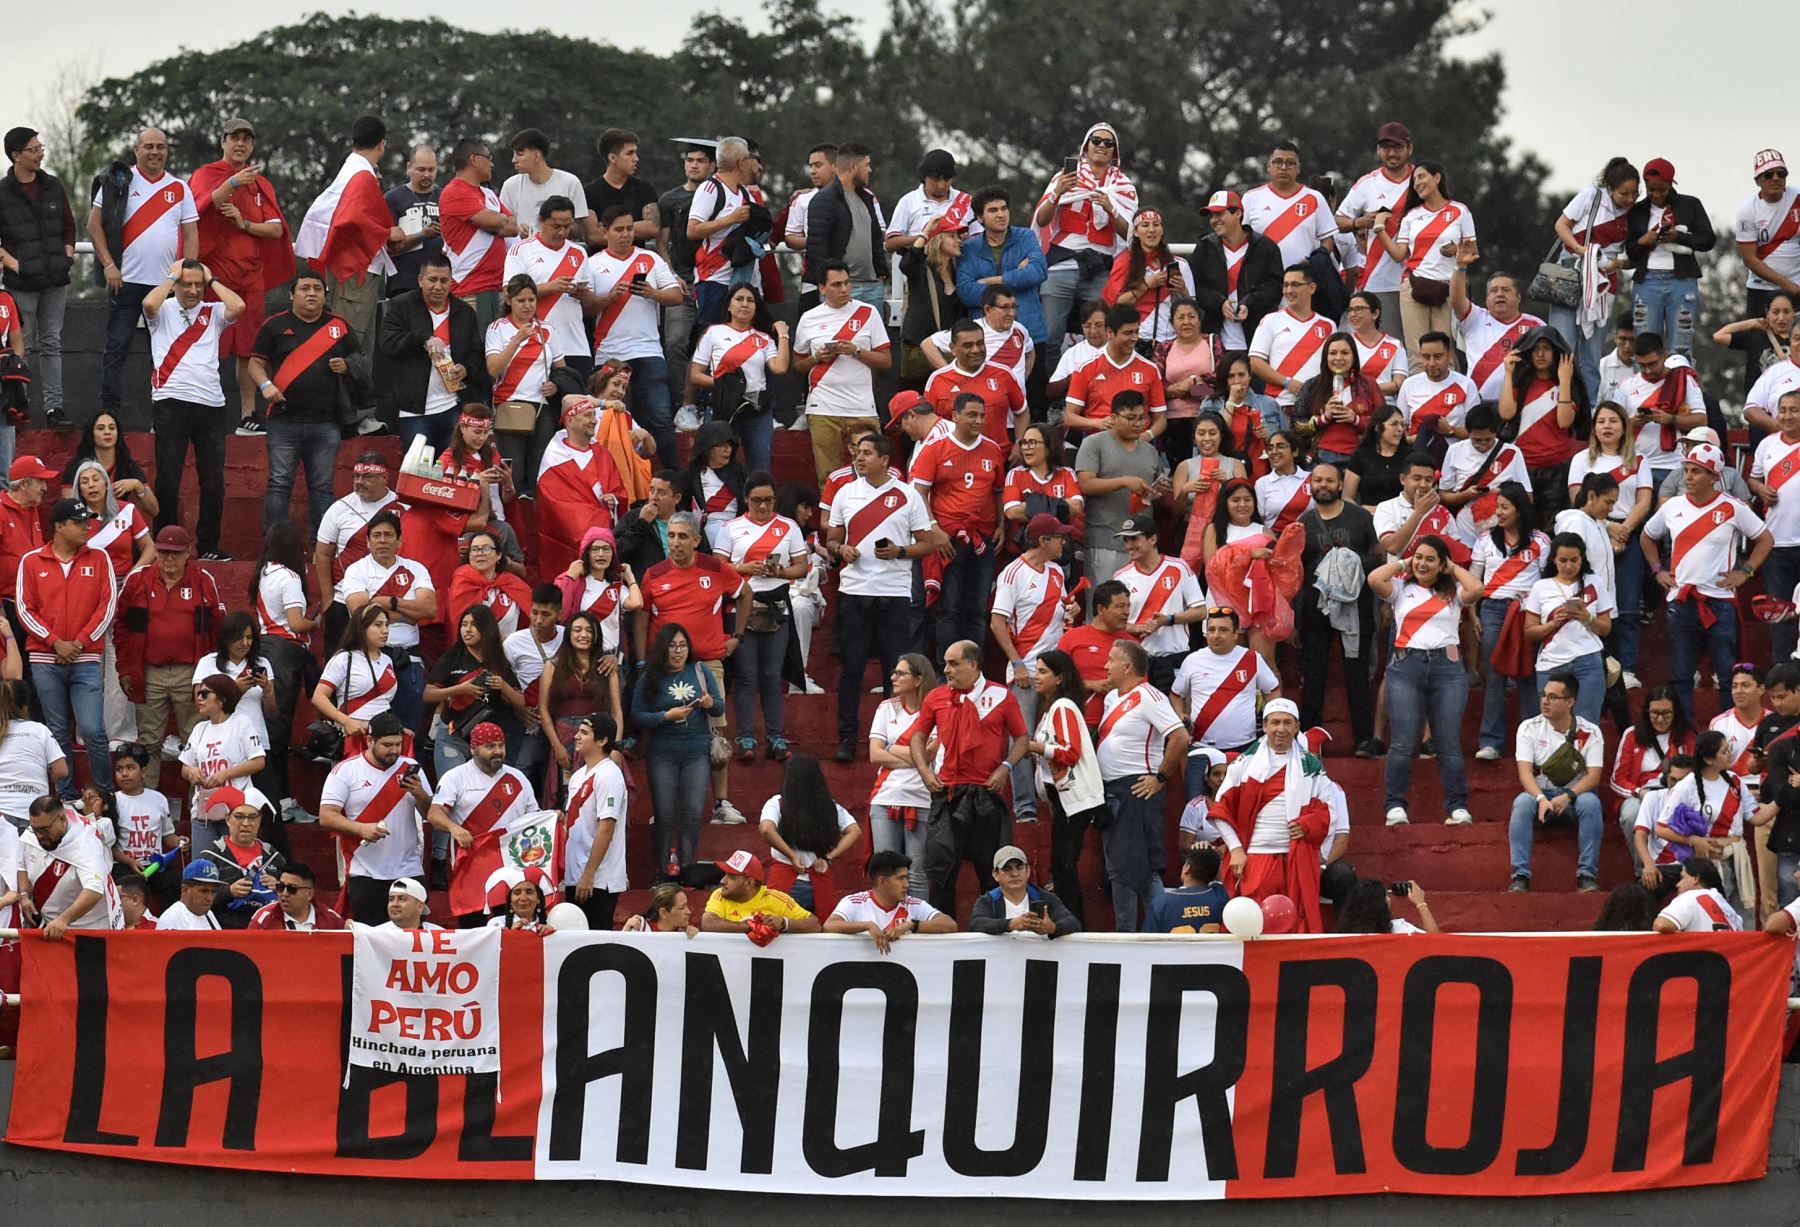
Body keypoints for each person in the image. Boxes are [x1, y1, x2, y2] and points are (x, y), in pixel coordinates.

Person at [826, 434, 941, 760]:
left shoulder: (908, 496)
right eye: (858, 453)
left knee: (898, 669)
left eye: (866, 453)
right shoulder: (846, 493)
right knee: (852, 669)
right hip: (854, 592)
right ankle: (847, 739)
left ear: (885, 460)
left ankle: (898, 736)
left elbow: (927, 544)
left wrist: (900, 551)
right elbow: (832, 537)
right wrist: (840, 548)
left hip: (894, 594)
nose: (859, 458)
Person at [1641, 443, 1773, 721]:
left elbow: (1765, 539)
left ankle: (1726, 732)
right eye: (1686, 471)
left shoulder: (1733, 507)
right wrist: (1657, 570)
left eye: (1696, 472)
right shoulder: (1673, 506)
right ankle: (1686, 735)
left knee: (1727, 675)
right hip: (1680, 601)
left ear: (1713, 476)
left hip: (1720, 602)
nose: (1688, 477)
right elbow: (1647, 536)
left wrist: (1746, 571)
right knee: (1681, 675)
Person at [189, 117, 296, 430]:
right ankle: (199, 411)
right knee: (206, 347)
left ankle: (247, 415)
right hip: (215, 278)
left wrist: (243, 223)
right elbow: (201, 207)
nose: (240, 144)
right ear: (222, 141)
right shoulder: (208, 174)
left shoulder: (260, 184)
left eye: (246, 139)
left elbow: (276, 229)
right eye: (234, 138)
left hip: (251, 279)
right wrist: (234, 183)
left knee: (249, 351)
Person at [1367, 535, 1482, 826]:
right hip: (1406, 667)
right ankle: (1395, 806)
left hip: (1448, 671)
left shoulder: (1454, 592)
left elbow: (1477, 588)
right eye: (1419, 557)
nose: (1422, 563)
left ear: (1442, 564)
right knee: (1404, 743)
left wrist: (1451, 567)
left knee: (1448, 744)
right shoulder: (1400, 589)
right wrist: (1404, 562)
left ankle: (1457, 806)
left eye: (1430, 559)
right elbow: (1373, 579)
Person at [909, 640, 1028, 919]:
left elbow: (1022, 738)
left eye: (954, 663)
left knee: (990, 872)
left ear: (973, 664)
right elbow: (918, 736)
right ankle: (942, 935)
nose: (947, 669)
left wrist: (1006, 767)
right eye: (946, 663)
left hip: (985, 793)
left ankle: (995, 931)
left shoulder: (1001, 695)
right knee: (941, 873)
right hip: (947, 794)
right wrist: (925, 772)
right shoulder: (936, 697)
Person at [88, 128, 200, 420]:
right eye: (148, 146)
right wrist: (109, 265)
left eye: (160, 147)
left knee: (165, 352)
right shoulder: (118, 181)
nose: (155, 152)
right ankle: (108, 413)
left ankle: (164, 414)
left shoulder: (180, 187)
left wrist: (186, 275)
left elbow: (190, 235)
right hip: (124, 282)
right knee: (116, 348)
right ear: (136, 149)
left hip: (164, 286)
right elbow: (94, 225)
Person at [143, 260, 245, 561]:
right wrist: (173, 275)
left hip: (211, 405)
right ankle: (166, 542)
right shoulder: (163, 310)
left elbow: (238, 306)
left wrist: (212, 280)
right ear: (175, 284)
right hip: (170, 402)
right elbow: (148, 302)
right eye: (186, 284)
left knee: (212, 481)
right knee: (168, 478)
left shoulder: (212, 312)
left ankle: (209, 545)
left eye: (197, 284)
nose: (192, 290)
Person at [248, 269, 360, 532]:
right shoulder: (274, 325)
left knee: (322, 487)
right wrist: (265, 385)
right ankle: (274, 546)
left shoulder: (339, 326)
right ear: (291, 295)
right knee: (279, 484)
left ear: (325, 294)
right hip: (284, 420)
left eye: (317, 289)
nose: (312, 294)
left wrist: (347, 365)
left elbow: (360, 361)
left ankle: (320, 545)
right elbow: (254, 363)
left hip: (326, 422)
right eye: (305, 289)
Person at [16, 498, 114, 796]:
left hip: (85, 657)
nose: (87, 527)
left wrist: (79, 642)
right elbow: (23, 607)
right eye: (80, 522)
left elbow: (107, 605)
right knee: (57, 731)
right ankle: (67, 796)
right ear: (59, 526)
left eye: (88, 521)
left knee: (92, 730)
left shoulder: (99, 558)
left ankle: (105, 794)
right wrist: (55, 642)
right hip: (46, 658)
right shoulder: (31, 561)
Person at [1208, 700, 1333, 932]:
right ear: (1264, 727)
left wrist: (1308, 825)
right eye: (1275, 722)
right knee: (1253, 924)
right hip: (1256, 857)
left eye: (1287, 723)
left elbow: (1325, 811)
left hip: (1295, 859)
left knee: (1295, 921)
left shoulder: (1312, 766)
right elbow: (1220, 809)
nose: (1281, 729)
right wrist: (1235, 849)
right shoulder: (1243, 765)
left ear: (1297, 727)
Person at [1090, 640, 1188, 931]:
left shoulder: (1150, 696)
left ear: (1127, 666)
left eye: (1110, 660)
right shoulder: (1112, 699)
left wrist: (1160, 778)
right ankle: (1161, 931)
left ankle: (1129, 935)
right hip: (1114, 791)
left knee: (1126, 869)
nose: (1106, 666)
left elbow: (1180, 737)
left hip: (1136, 789)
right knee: (1134, 869)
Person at [1032, 123, 1135, 374]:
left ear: (1115, 152)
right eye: (1096, 141)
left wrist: (1111, 208)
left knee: (1103, 334)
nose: (1101, 146)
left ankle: (1098, 390)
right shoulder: (1064, 178)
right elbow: (1042, 220)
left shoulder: (1123, 187)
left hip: (1099, 268)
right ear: (1086, 147)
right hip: (1062, 266)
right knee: (1050, 336)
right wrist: (1058, 193)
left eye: (1108, 143)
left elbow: (1130, 234)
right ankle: (1053, 401)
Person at [115, 525, 225, 752]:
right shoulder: (137, 580)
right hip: (149, 672)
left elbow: (218, 628)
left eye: (176, 553)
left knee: (197, 739)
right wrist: (125, 669)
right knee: (148, 742)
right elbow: (121, 629)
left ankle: (199, 788)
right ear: (155, 551)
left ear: (187, 553)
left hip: (192, 673)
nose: (169, 558)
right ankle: (148, 789)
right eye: (164, 552)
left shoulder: (203, 581)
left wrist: (212, 672)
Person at [1295, 463, 1379, 754]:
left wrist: (1346, 563)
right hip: (1314, 606)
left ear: (1341, 484)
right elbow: (1295, 569)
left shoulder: (1359, 518)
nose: (1323, 485)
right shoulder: (1303, 523)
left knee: (1357, 671)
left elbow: (1377, 558)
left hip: (1357, 605)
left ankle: (1364, 739)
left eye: (1329, 481)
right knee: (1314, 671)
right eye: (1317, 480)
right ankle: (1308, 737)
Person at [315, 710, 428, 925]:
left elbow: (430, 813)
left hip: (409, 868)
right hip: (366, 872)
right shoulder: (346, 771)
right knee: (371, 941)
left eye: (398, 744)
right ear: (369, 740)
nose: (393, 751)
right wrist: (361, 829)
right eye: (387, 745)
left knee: (413, 940)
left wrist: (420, 794)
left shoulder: (410, 768)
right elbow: (326, 816)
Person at [630, 622, 723, 881]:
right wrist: (665, 716)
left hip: (697, 750)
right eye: (673, 646)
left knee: (693, 811)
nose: (678, 651)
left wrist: (710, 702)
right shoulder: (650, 676)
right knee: (664, 813)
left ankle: (687, 868)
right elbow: (637, 715)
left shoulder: (700, 670)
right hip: (663, 752)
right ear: (663, 649)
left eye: (682, 645)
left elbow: (720, 709)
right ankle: (661, 870)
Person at [1566, 403, 1651, 684]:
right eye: (1601, 421)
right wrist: (1608, 528)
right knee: (1591, 603)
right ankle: (1591, 664)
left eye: (1613, 420)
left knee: (1626, 605)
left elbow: (1644, 500)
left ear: (1624, 426)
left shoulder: (1639, 460)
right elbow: (1579, 499)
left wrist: (1624, 530)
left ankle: (1625, 667)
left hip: (1629, 532)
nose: (1607, 426)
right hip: (1593, 531)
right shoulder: (1582, 460)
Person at [295, 116, 393, 349]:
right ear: (382, 144)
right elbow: (352, 218)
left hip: (354, 269)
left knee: (362, 346)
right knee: (350, 345)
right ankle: (343, 387)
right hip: (355, 270)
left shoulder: (352, 168)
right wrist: (387, 233)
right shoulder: (361, 174)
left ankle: (358, 386)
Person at [0, 128, 75, 429]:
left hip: (56, 280)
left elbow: (69, 226)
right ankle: (21, 404)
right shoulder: (2, 192)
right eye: (34, 149)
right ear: (17, 155)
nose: (40, 153)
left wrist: (67, 255)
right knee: (23, 344)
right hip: (22, 284)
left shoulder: (53, 186)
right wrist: (12, 262)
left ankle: (54, 408)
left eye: (40, 147)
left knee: (52, 342)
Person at [793, 261, 893, 484]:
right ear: (822, 288)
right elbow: (798, 366)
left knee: (873, 475)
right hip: (823, 408)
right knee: (829, 480)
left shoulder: (869, 313)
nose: (844, 289)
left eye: (847, 283)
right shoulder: (809, 318)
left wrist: (857, 351)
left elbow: (886, 361)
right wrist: (816, 358)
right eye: (836, 285)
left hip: (862, 407)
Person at [1548, 157, 1640, 398]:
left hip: (1603, 281)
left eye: (1635, 194)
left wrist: (1617, 263)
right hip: (1571, 269)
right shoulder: (1592, 196)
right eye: (1624, 194)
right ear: (1611, 188)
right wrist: (1581, 251)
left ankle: (1589, 409)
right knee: (1562, 345)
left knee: (1592, 352)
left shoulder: (1635, 215)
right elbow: (1561, 224)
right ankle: (1558, 401)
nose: (1630, 199)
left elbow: (1635, 256)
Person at [1508, 671, 1607, 892]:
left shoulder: (1590, 732)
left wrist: (1569, 795)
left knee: (1591, 803)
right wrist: (1541, 798)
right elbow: (1524, 773)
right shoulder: (1528, 728)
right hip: (1540, 795)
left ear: (1570, 702)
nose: (1545, 701)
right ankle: (1520, 876)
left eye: (1553, 697)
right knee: (1522, 803)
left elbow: (1594, 775)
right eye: (1544, 695)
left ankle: (1587, 875)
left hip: (1573, 798)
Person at [377, 253, 488, 451]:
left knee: (451, 470)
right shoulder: (401, 306)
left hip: (452, 405)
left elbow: (476, 351)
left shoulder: (464, 312)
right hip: (413, 410)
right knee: (416, 473)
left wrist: (466, 369)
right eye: (432, 280)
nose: (438, 286)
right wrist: (423, 339)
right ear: (420, 280)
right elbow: (387, 343)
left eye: (444, 281)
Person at [425, 719, 532, 922]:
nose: (498, 751)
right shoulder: (455, 777)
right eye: (490, 746)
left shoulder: (518, 778)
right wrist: (454, 828)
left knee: (510, 929)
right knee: (473, 931)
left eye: (501, 746)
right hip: (470, 868)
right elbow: (434, 813)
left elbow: (533, 818)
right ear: (474, 749)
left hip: (510, 869)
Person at [1469, 485, 1549, 758]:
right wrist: (1471, 614)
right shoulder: (1484, 540)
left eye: (1505, 507)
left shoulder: (1541, 540)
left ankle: (1533, 745)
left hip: (1528, 612)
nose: (1498, 513)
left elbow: (1547, 581)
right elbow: (1474, 579)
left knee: (1528, 674)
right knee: (1495, 674)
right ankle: (1490, 742)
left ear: (1519, 509)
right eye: (1497, 507)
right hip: (1492, 610)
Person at [339, 509, 435, 737]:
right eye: (377, 535)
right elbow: (362, 612)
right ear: (368, 541)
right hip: (370, 659)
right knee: (369, 732)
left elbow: (429, 609)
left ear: (399, 540)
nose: (382, 540)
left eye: (388, 535)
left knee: (409, 730)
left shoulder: (416, 569)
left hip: (408, 659)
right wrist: (408, 615)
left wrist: (389, 601)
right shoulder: (357, 570)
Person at [1370, 162, 1474, 364]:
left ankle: (1448, 394)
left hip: (1449, 287)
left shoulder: (1460, 211)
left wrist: (1455, 250)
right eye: (1414, 179)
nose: (1417, 183)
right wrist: (1380, 229)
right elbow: (1399, 255)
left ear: (1437, 178)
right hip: (1413, 286)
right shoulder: (1411, 216)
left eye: (1422, 176)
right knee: (1417, 352)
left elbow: (1473, 251)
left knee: (1446, 351)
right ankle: (1419, 395)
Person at [247, 520, 316, 821]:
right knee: (278, 729)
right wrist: (317, 621)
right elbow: (297, 623)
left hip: (267, 647)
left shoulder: (264, 573)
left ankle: (275, 797)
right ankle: (279, 800)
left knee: (271, 725)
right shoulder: (289, 577)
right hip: (286, 651)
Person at [689, 283, 790, 476]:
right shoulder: (713, 332)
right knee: (717, 466)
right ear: (728, 305)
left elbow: (780, 367)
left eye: (750, 300)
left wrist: (783, 335)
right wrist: (724, 386)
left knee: (760, 468)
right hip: (722, 405)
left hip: (756, 408)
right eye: (739, 299)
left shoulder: (765, 339)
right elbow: (695, 374)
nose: (745, 304)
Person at [423, 604, 524, 788]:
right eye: (464, 624)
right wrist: (460, 689)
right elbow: (428, 694)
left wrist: (503, 687)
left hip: (488, 741)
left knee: (485, 794)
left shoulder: (498, 660)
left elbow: (521, 702)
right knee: (452, 790)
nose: (467, 630)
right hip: (453, 735)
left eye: (473, 625)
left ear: (486, 629)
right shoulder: (453, 656)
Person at [1624, 158, 1714, 356]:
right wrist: (1643, 241)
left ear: (1671, 184)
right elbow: (1630, 251)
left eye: (1662, 190)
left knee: (1681, 347)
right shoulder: (1637, 211)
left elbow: (1708, 239)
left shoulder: (1690, 205)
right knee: (1645, 345)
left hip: (1682, 280)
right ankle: (1645, 386)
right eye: (1651, 190)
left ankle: (1681, 385)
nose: (1656, 195)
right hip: (1647, 282)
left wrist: (1678, 236)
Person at [1524, 532, 1615, 727]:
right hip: (1551, 662)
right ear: (1554, 560)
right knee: (1551, 725)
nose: (1568, 566)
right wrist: (1552, 623)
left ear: (1582, 558)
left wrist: (1587, 618)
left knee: (1587, 725)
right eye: (1563, 560)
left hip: (1588, 659)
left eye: (1574, 560)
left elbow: (1606, 628)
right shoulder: (1541, 587)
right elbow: (1529, 632)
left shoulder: (1594, 582)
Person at [484, 275, 566, 489]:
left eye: (531, 300)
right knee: (513, 472)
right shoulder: (497, 328)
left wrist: (556, 385)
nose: (527, 305)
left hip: (543, 408)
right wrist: (517, 339)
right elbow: (493, 369)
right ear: (509, 300)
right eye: (521, 300)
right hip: (510, 406)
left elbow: (562, 370)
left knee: (542, 470)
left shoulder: (548, 329)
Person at [1074, 393, 1164, 587]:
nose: (1138, 423)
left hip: (1144, 543)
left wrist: (1160, 490)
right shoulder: (1094, 443)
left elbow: (1155, 492)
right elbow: (1085, 484)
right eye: (1131, 418)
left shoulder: (1150, 450)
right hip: (1106, 538)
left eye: (1142, 418)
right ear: (1114, 418)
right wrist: (1123, 481)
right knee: (1104, 606)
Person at [866, 652, 938, 892]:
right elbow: (875, 754)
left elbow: (930, 755)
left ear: (918, 679)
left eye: (900, 673)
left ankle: (917, 925)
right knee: (885, 872)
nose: (893, 677)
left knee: (917, 874)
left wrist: (892, 747)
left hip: (921, 798)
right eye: (894, 672)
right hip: (885, 797)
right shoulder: (886, 708)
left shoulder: (935, 711)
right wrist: (916, 757)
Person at [313, 455, 400, 648]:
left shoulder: (403, 506)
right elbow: (322, 554)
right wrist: (328, 601)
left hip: (388, 600)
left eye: (367, 477)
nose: (359, 482)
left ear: (384, 478)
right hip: (343, 602)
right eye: (356, 476)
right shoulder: (339, 509)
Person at [758, 752, 861, 915]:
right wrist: (828, 857)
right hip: (819, 882)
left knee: (779, 930)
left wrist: (791, 856)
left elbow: (766, 829)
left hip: (785, 880)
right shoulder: (830, 806)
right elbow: (854, 831)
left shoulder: (778, 803)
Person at [1335, 122, 1416, 326]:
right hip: (1380, 281)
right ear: (1379, 150)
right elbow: (1337, 220)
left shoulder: (1423, 179)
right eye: (1386, 147)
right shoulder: (1368, 183)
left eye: (1397, 147)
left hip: (1420, 278)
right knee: (1385, 349)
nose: (1392, 153)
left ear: (1409, 148)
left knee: (1422, 352)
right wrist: (1360, 222)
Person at [438, 138, 524, 326]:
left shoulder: (489, 195)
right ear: (474, 159)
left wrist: (494, 224)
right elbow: (495, 221)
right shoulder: (454, 192)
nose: (492, 163)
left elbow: (512, 226)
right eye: (488, 157)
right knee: (475, 349)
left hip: (498, 288)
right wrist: (496, 222)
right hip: (470, 289)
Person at [1735, 150, 1800, 395]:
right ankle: (1755, 405)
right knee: (1758, 350)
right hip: (1762, 289)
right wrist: (1787, 286)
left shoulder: (1797, 199)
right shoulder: (1748, 211)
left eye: (1781, 173)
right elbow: (1750, 258)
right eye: (1769, 174)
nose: (1776, 178)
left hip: (1798, 285)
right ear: (1758, 180)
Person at [1498, 327, 1586, 507]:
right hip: (1523, 466)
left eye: (1546, 348)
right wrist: (1508, 374)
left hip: (1557, 467)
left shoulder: (1566, 384)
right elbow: (1506, 413)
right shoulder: (1521, 383)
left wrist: (1564, 381)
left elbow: (1564, 421)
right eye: (1536, 349)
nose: (1540, 354)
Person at [555, 712, 625, 930]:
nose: (576, 736)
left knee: (596, 940)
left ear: (602, 740)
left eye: (584, 733)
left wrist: (589, 875)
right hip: (575, 874)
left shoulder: (609, 775)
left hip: (598, 878)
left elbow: (606, 827)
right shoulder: (578, 775)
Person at [1192, 190, 1283, 353]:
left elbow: (1275, 287)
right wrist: (1219, 303)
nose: (1214, 220)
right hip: (1215, 339)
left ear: (1238, 213)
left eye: (1220, 214)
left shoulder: (1266, 247)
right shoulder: (1204, 247)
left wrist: (1249, 303)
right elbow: (1197, 288)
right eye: (1211, 215)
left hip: (1258, 340)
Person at [1449, 258, 1545, 405]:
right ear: (1487, 299)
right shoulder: (1475, 318)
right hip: (1478, 406)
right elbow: (1456, 300)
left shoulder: (1536, 325)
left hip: (1521, 404)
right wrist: (1460, 265)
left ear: (1518, 297)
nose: (1499, 294)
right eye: (1494, 291)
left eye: (1506, 290)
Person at [923, 317, 1027, 451]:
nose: (976, 350)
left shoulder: (1003, 374)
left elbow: (1022, 412)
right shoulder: (937, 380)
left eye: (980, 343)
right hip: (952, 460)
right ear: (953, 348)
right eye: (968, 345)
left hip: (1000, 458)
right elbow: (927, 424)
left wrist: (1019, 443)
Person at [1061, 305, 1166, 437]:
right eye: (1128, 333)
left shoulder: (1150, 369)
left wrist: (1146, 437)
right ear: (1110, 333)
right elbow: (1069, 417)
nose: (1134, 338)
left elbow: (1161, 418)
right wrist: (1097, 423)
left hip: (1138, 444)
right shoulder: (1086, 368)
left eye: (1136, 332)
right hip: (1099, 442)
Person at [803, 142, 886, 308]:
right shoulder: (824, 200)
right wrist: (831, 283)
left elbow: (876, 238)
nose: (869, 170)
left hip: (872, 287)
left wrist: (881, 271)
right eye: (867, 165)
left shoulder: (867, 198)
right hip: (842, 289)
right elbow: (817, 248)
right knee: (839, 335)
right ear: (853, 166)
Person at [825, 847, 957, 951]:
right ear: (882, 881)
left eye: (906, 878)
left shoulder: (913, 904)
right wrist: (867, 926)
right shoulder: (855, 902)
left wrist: (911, 925)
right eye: (900, 878)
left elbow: (950, 925)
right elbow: (829, 926)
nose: (907, 884)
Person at [1249, 263, 1334, 414]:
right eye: (1286, 285)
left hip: (1317, 406)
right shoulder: (1271, 320)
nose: (1289, 290)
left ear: (1312, 288)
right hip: (1279, 405)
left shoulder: (1328, 325)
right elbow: (1255, 362)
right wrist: (1288, 383)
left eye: (1295, 285)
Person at [1291, 332, 1380, 464]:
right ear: (1325, 357)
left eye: (1344, 353)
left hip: (1361, 458)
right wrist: (1323, 418)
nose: (1338, 358)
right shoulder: (1312, 385)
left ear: (1354, 356)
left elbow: (1385, 423)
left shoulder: (1369, 385)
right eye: (1332, 353)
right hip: (1320, 458)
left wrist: (1356, 420)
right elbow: (1296, 425)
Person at [198, 793, 283, 929]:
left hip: (268, 929)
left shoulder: (273, 856)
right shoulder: (211, 857)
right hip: (225, 929)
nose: (246, 823)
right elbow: (195, 900)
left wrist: (280, 888)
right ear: (227, 819)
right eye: (239, 817)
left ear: (259, 820)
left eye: (252, 817)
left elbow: (295, 895)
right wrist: (229, 892)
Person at [497, 128, 591, 246]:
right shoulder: (510, 186)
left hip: (560, 253)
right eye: (514, 154)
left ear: (537, 156)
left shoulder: (570, 182)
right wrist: (517, 229)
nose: (514, 160)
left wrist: (557, 228)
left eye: (519, 154)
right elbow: (502, 225)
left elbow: (580, 227)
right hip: (523, 253)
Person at [701, 849, 821, 937]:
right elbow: (708, 923)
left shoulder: (777, 899)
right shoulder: (720, 894)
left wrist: (783, 923)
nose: (723, 881)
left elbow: (815, 925)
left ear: (749, 883)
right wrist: (752, 926)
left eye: (731, 877)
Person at [969, 843, 1080, 937]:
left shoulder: (1045, 898)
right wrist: (1010, 924)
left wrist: (1052, 928)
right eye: (1007, 869)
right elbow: (976, 924)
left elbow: (1073, 923)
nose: (1014, 874)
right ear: (995, 874)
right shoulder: (988, 900)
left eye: (1019, 867)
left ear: (1027, 871)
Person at [384, 146, 442, 299]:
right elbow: (389, 247)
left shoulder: (444, 197)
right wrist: (421, 235)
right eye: (421, 169)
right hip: (404, 281)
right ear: (409, 167)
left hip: (439, 281)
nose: (427, 175)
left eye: (431, 170)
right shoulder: (393, 198)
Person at [585, 128, 659, 247]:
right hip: (602, 263)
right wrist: (637, 227)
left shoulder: (645, 189)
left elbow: (653, 228)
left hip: (637, 261)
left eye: (635, 153)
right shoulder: (589, 192)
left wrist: (609, 227)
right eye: (629, 153)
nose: (636, 159)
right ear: (612, 158)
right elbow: (593, 236)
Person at [1138, 843, 1230, 934]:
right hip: (1211, 949)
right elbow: (1220, 877)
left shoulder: (1162, 902)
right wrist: (1211, 855)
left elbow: (1147, 942)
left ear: (1187, 868)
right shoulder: (1221, 896)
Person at [248, 861, 345, 931]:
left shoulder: (331, 920)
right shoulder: (263, 919)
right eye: (281, 887)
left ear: (309, 894)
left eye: (292, 889)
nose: (284, 894)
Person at [1653, 858, 1742, 932]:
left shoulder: (1691, 897)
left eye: (1682, 878)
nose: (1678, 884)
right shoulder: (1730, 910)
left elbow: (1661, 925)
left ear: (1696, 878)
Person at [1335, 877, 1441, 934]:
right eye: (1386, 896)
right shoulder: (1399, 929)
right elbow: (1434, 940)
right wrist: (1420, 903)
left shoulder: (1343, 936)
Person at [157, 860, 223, 931]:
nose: (210, 898)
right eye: (204, 891)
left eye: (213, 891)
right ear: (185, 889)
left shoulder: (209, 914)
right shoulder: (171, 918)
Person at [621, 880, 697, 935]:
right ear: (663, 912)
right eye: (681, 908)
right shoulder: (641, 928)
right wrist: (626, 931)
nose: (688, 912)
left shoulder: (685, 934)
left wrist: (695, 940)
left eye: (687, 906)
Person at [375, 877, 439, 933]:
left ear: (420, 906)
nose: (394, 904)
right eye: (391, 899)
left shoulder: (437, 934)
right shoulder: (376, 934)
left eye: (402, 899)